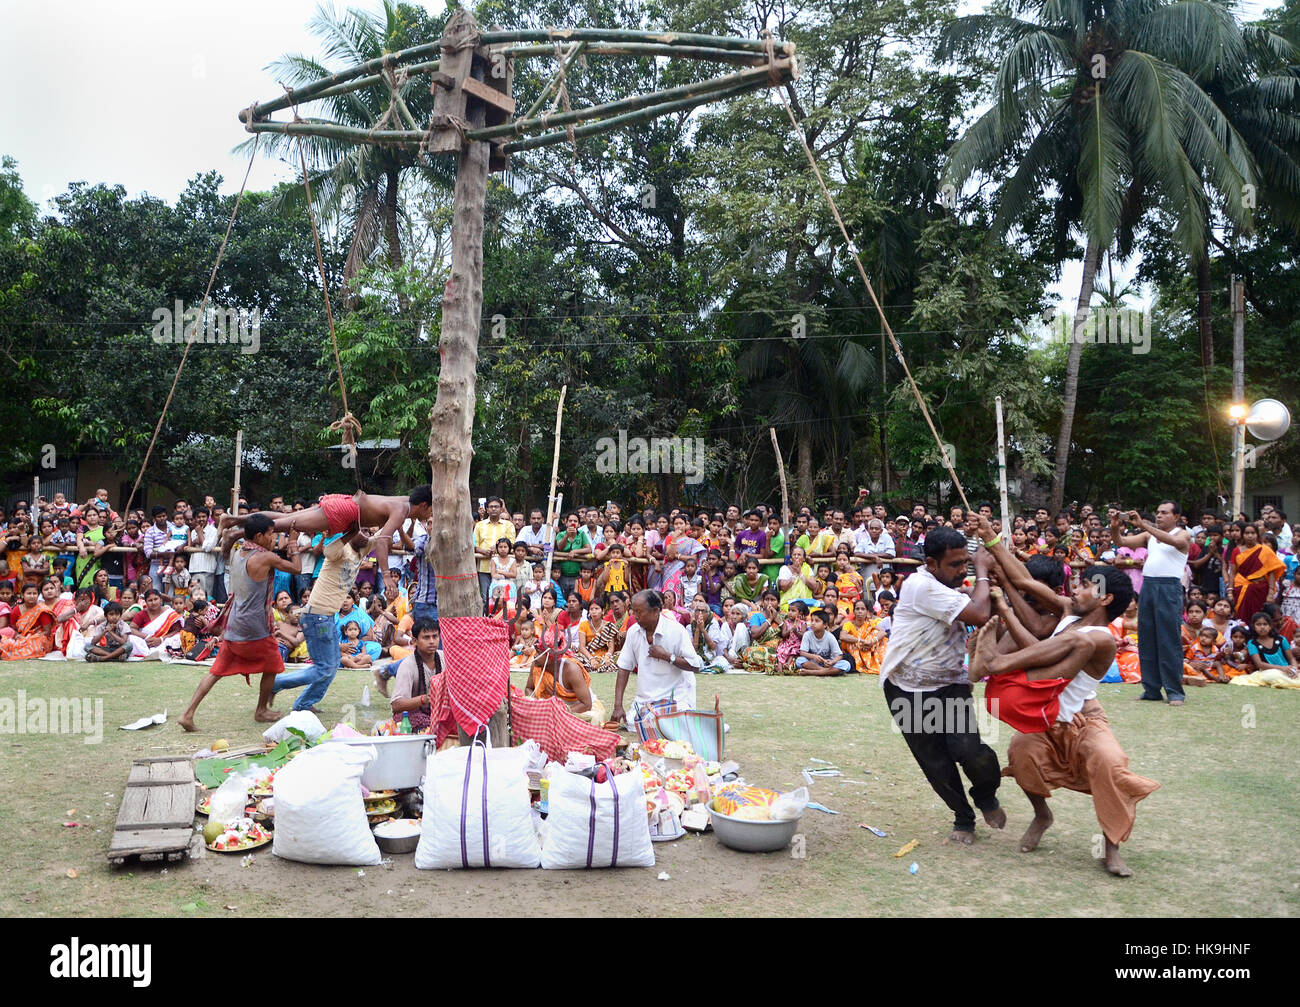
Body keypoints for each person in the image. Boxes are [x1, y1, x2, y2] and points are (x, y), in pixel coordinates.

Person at [971, 562, 1157, 876]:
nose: (1076, 589)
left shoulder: (1101, 638)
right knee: (1021, 752)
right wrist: (991, 542)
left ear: (1105, 599)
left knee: (1109, 763)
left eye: (1086, 585)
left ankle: (1111, 846)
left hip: (1085, 720)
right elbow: (1024, 580)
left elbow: (1038, 649)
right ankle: (1042, 815)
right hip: (1050, 716)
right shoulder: (1068, 614)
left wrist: (1001, 642)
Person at [879, 525, 1004, 845]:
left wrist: (993, 571)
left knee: (971, 751)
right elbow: (977, 613)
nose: (962, 569)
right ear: (931, 563)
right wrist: (982, 571)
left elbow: (980, 607)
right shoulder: (920, 585)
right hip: (905, 687)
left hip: (950, 684)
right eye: (955, 564)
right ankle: (964, 818)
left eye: (966, 561)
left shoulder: (948, 588)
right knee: (935, 762)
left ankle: (986, 797)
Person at [179, 514, 300, 731]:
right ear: (260, 536)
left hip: (234, 623)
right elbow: (297, 569)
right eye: (272, 534)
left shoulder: (237, 552)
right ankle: (261, 710)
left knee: (215, 671)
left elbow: (230, 543)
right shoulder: (265, 557)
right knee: (272, 664)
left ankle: (188, 714)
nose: (274, 538)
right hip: (255, 626)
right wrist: (292, 541)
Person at [221, 486, 432, 576]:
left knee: (284, 519)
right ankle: (234, 530)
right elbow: (384, 541)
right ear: (423, 504)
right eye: (431, 509)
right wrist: (386, 576)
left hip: (345, 508)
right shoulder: (402, 508)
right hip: (343, 510)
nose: (431, 515)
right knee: (283, 523)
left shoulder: (404, 502)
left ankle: (233, 523)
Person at [1110, 503, 1190, 705]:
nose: (1159, 515)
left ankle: (1174, 691)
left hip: (1169, 587)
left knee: (1168, 639)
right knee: (1147, 637)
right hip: (1149, 586)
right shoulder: (1149, 536)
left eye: (1164, 513)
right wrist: (1114, 526)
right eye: (1158, 512)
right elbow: (1121, 541)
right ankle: (1152, 689)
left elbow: (1171, 540)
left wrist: (1144, 525)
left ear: (1176, 516)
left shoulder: (1183, 535)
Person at [611, 589, 703, 725]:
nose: (634, 616)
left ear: (655, 611)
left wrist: (667, 656)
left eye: (639, 612)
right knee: (634, 723)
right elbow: (624, 668)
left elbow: (695, 666)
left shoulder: (676, 631)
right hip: (645, 701)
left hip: (675, 698)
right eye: (633, 611)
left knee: (667, 723)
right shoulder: (633, 632)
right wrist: (617, 706)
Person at [389, 618, 452, 733]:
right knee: (413, 720)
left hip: (442, 711)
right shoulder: (407, 665)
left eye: (435, 636)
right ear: (414, 641)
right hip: (416, 715)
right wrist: (424, 699)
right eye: (426, 637)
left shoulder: (446, 659)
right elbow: (396, 705)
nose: (432, 641)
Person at [1227, 521, 1284, 626]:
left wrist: (1271, 593)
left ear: (1257, 535)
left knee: (1260, 617)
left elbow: (1271, 571)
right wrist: (1230, 591)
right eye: (1247, 533)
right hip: (1240, 588)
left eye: (1253, 533)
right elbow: (1233, 572)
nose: (1250, 536)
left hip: (1260, 589)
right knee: (1241, 618)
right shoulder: (1236, 551)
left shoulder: (1265, 550)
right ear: (1242, 535)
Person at [0, 581, 55, 660]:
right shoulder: (16, 609)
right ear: (22, 595)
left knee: (34, 643)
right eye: (29, 594)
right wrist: (18, 636)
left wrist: (31, 637)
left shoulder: (41, 610)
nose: (32, 596)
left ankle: (11, 652)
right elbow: (13, 629)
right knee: (5, 641)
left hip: (39, 638)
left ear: (38, 595)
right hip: (21, 637)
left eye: (34, 594)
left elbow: (47, 632)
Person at [795, 607, 853, 675]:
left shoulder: (830, 636)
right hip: (813, 664)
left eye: (817, 621)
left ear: (825, 625)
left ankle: (811, 672)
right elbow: (802, 653)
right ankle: (825, 671)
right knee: (799, 660)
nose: (813, 623)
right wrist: (814, 656)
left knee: (846, 664)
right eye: (812, 620)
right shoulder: (807, 635)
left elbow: (839, 655)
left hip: (828, 664)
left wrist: (832, 662)